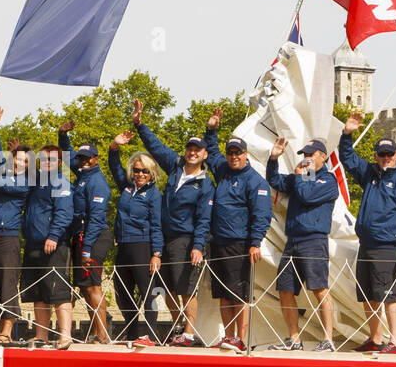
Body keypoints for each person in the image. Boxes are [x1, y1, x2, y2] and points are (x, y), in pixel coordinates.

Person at [339, 114, 396, 354]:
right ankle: (374, 338)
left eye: (390, 154)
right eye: (381, 154)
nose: (386, 158)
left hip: (389, 246)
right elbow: (347, 158)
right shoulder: (370, 174)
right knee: (367, 295)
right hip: (366, 244)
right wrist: (347, 134)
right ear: (376, 156)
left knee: (389, 296)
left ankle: (395, 342)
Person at [133, 99, 213, 347]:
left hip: (186, 239)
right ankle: (179, 327)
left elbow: (204, 218)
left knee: (186, 288)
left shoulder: (205, 183)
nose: (192, 152)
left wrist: (198, 245)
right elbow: (155, 147)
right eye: (190, 148)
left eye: (197, 150)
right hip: (164, 237)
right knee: (165, 288)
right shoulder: (176, 165)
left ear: (204, 154)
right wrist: (139, 124)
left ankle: (188, 333)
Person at [203, 109, 272, 352]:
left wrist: (255, 242)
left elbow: (262, 215)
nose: (233, 157)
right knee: (223, 293)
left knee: (240, 294)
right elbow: (211, 152)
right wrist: (211, 130)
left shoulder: (255, 181)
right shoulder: (222, 169)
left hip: (240, 243)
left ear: (246, 155)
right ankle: (227, 337)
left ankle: (240, 339)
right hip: (218, 241)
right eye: (230, 152)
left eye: (238, 153)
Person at [265, 137, 339, 351]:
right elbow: (275, 180)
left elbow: (306, 196)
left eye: (311, 155)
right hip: (293, 240)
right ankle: (294, 339)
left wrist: (298, 177)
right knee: (285, 289)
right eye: (304, 155)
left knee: (319, 289)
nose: (306, 159)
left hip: (314, 240)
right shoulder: (301, 177)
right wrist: (273, 158)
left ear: (323, 157)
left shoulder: (328, 181)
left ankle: (328, 339)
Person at [20, 130, 76, 347]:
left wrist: (53, 235)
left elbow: (64, 212)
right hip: (33, 244)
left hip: (54, 244)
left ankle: (65, 335)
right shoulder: (36, 182)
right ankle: (41, 335)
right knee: (39, 292)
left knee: (58, 291)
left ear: (59, 162)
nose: (46, 163)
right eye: (42, 159)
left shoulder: (61, 181)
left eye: (51, 160)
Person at [108, 131, 163, 346]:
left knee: (148, 291)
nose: (140, 174)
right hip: (123, 246)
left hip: (142, 245)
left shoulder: (154, 195)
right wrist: (115, 146)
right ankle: (131, 333)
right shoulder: (127, 188)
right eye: (137, 170)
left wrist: (156, 254)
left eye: (145, 171)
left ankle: (150, 334)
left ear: (151, 174)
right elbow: (114, 168)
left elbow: (157, 225)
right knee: (123, 291)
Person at [0, 107, 28, 342]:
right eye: (17, 159)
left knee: (8, 284)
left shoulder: (24, 183)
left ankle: (6, 332)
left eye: (24, 160)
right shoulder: (5, 172)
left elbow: (0, 184)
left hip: (9, 237)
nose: (19, 163)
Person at [64, 138, 113, 343]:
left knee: (93, 286)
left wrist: (86, 249)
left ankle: (102, 334)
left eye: (86, 158)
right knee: (85, 286)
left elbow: (95, 218)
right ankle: (95, 331)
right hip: (82, 236)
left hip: (93, 237)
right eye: (80, 158)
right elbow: (67, 156)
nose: (82, 161)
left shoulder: (97, 182)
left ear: (96, 159)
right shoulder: (83, 176)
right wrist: (62, 136)